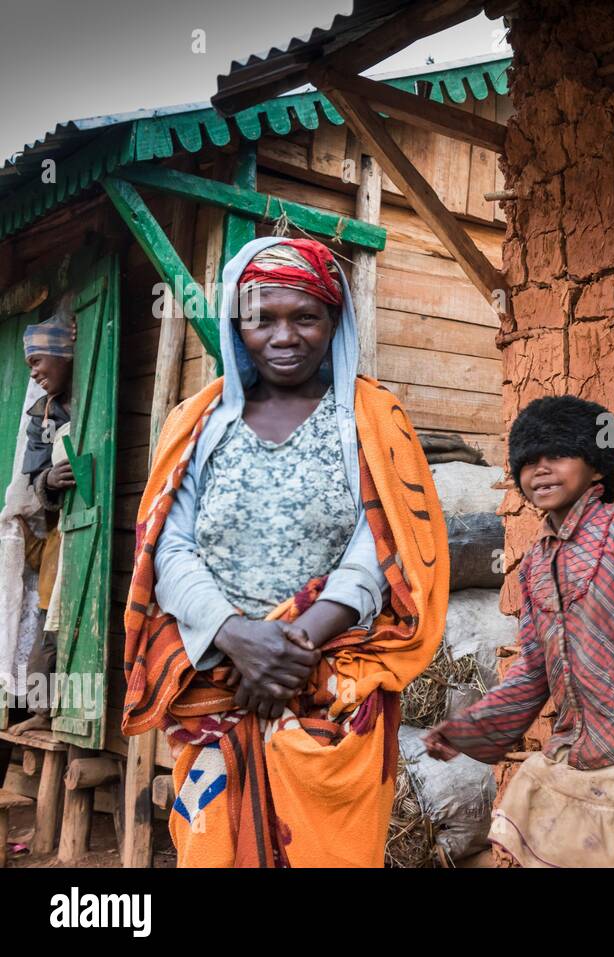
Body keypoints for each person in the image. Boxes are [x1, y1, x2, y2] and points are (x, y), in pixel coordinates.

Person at [121, 237, 450, 868]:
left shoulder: (370, 420)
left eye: (305, 317)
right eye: (260, 318)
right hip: (219, 678)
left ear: (336, 321)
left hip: (331, 683)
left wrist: (291, 648)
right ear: (234, 323)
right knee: (214, 844)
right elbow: (168, 549)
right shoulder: (199, 422)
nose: (284, 336)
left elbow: (380, 550)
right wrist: (237, 637)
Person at [423, 395, 614, 868]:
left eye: (557, 456)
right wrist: (470, 729)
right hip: (579, 750)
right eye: (529, 462)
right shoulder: (536, 561)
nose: (541, 471)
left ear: (596, 467)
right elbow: (533, 667)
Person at [10, 310, 77, 734]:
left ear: (63, 353)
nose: (34, 372)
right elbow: (33, 480)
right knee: (49, 623)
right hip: (61, 531)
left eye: (37, 361)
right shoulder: (44, 414)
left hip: (97, 529)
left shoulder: (90, 396)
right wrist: (49, 481)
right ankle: (41, 711)